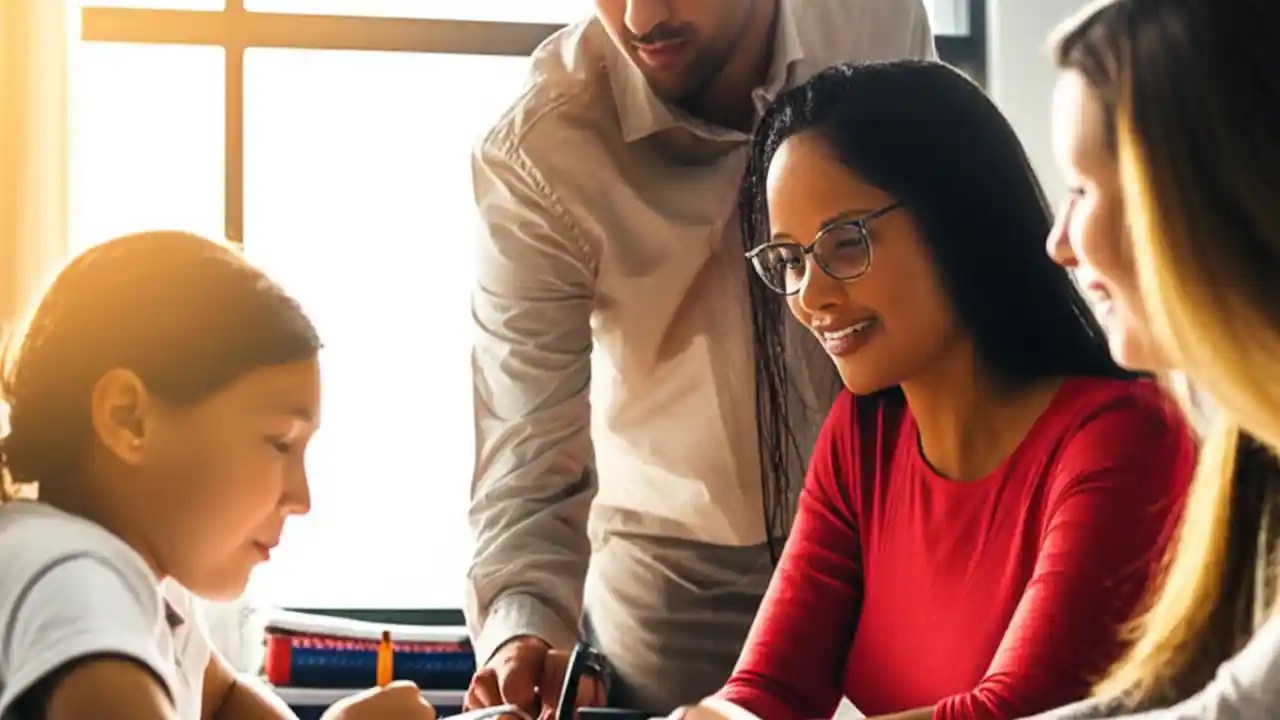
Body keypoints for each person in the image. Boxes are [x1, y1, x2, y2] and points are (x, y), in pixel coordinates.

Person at [677, 60, 1196, 720]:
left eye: (844, 243)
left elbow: (1015, 711)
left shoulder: (1123, 440)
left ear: (959, 219)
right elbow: (770, 691)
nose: (811, 296)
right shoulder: (861, 436)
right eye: (789, 259)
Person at [466, 0, 936, 714]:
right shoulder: (540, 153)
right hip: (674, 590)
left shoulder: (879, 23)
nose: (639, 16)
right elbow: (524, 453)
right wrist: (521, 634)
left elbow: (949, 274)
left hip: (898, 534)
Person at [0, 231, 436, 720]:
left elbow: (223, 700)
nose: (301, 497)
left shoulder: (151, 582)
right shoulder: (77, 575)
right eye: (279, 443)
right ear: (129, 419)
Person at [1024, 0, 1280, 717]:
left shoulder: (1114, 433)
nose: (1059, 243)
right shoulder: (1246, 443)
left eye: (1080, 190)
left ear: (1189, 199)